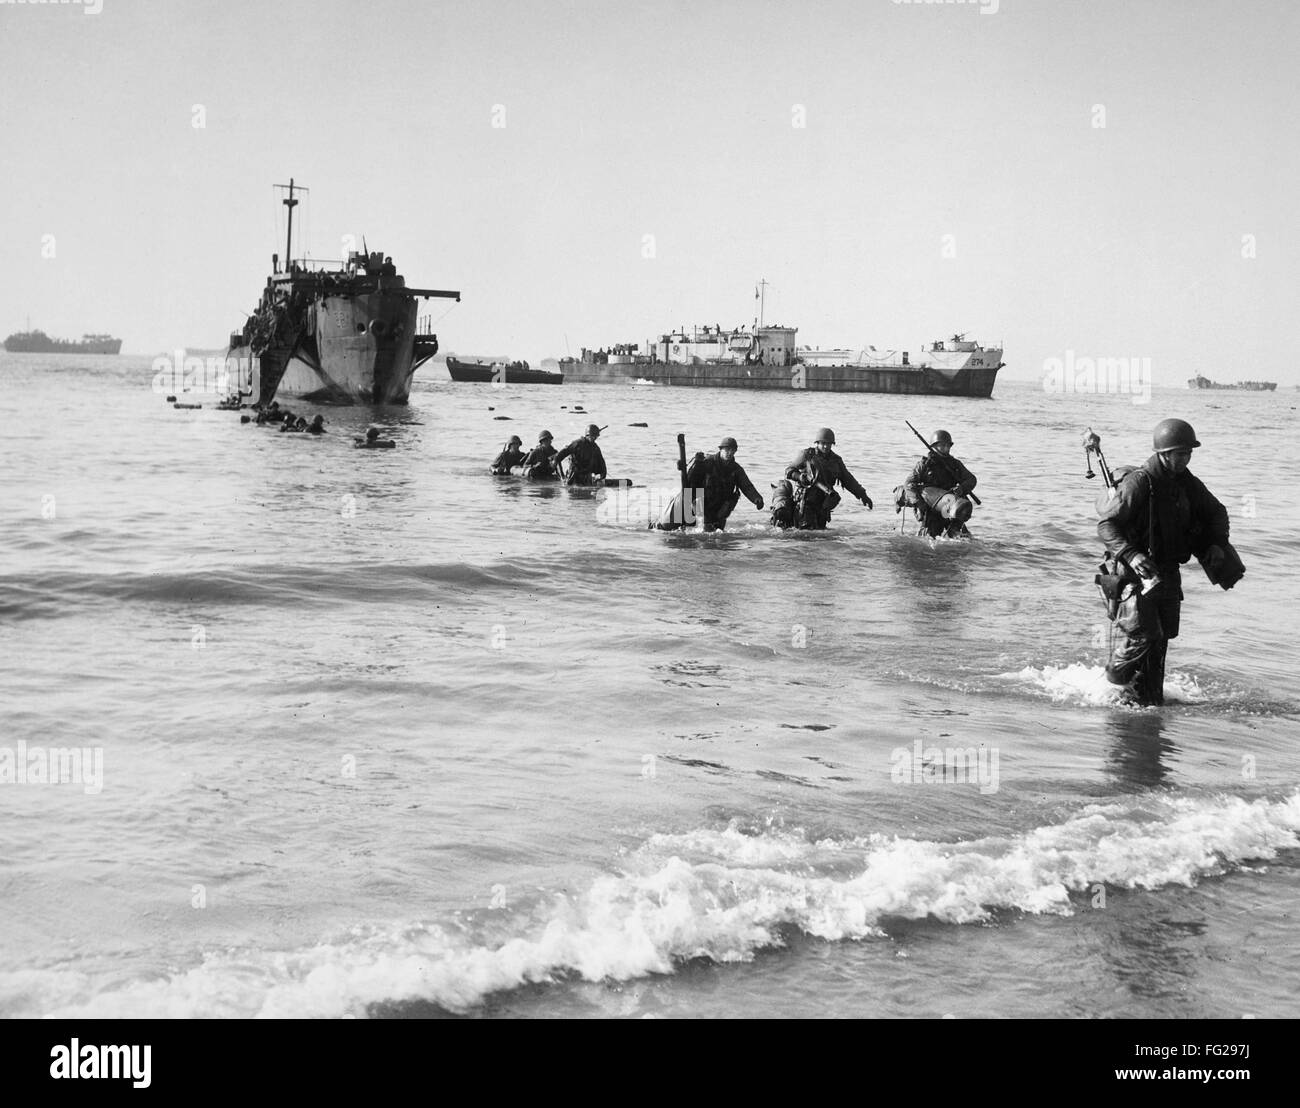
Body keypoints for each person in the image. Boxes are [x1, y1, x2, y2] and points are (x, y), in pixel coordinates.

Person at [1096, 417, 1236, 706]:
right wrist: (1132, 555)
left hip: (1168, 570)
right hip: (1134, 573)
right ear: (1163, 453)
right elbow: (1107, 526)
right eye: (1180, 454)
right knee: (1144, 634)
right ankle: (1110, 687)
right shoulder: (1139, 483)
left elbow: (1216, 511)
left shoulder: (1186, 483)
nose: (1185, 459)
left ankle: (1148, 701)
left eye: (1188, 453)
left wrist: (1217, 544)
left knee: (1162, 640)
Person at [781, 427, 872, 529]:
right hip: (806, 503)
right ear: (817, 443)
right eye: (823, 443)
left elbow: (848, 480)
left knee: (819, 536)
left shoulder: (836, 460)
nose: (825, 446)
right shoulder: (807, 455)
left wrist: (863, 495)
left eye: (828, 444)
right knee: (805, 536)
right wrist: (800, 477)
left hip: (823, 506)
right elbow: (788, 471)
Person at [899, 429, 977, 538]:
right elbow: (909, 484)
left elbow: (971, 479)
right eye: (943, 445)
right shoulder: (925, 464)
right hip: (931, 508)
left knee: (959, 536)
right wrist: (918, 502)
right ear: (934, 447)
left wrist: (961, 489)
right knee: (930, 538)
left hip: (951, 505)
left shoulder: (955, 464)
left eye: (948, 446)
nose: (946, 448)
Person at [683, 436, 764, 531]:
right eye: (727, 450)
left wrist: (756, 498)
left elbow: (746, 486)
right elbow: (691, 481)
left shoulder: (736, 469)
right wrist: (696, 465)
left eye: (732, 451)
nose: (730, 453)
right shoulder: (708, 462)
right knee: (706, 533)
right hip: (704, 504)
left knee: (719, 533)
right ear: (720, 449)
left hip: (721, 507)